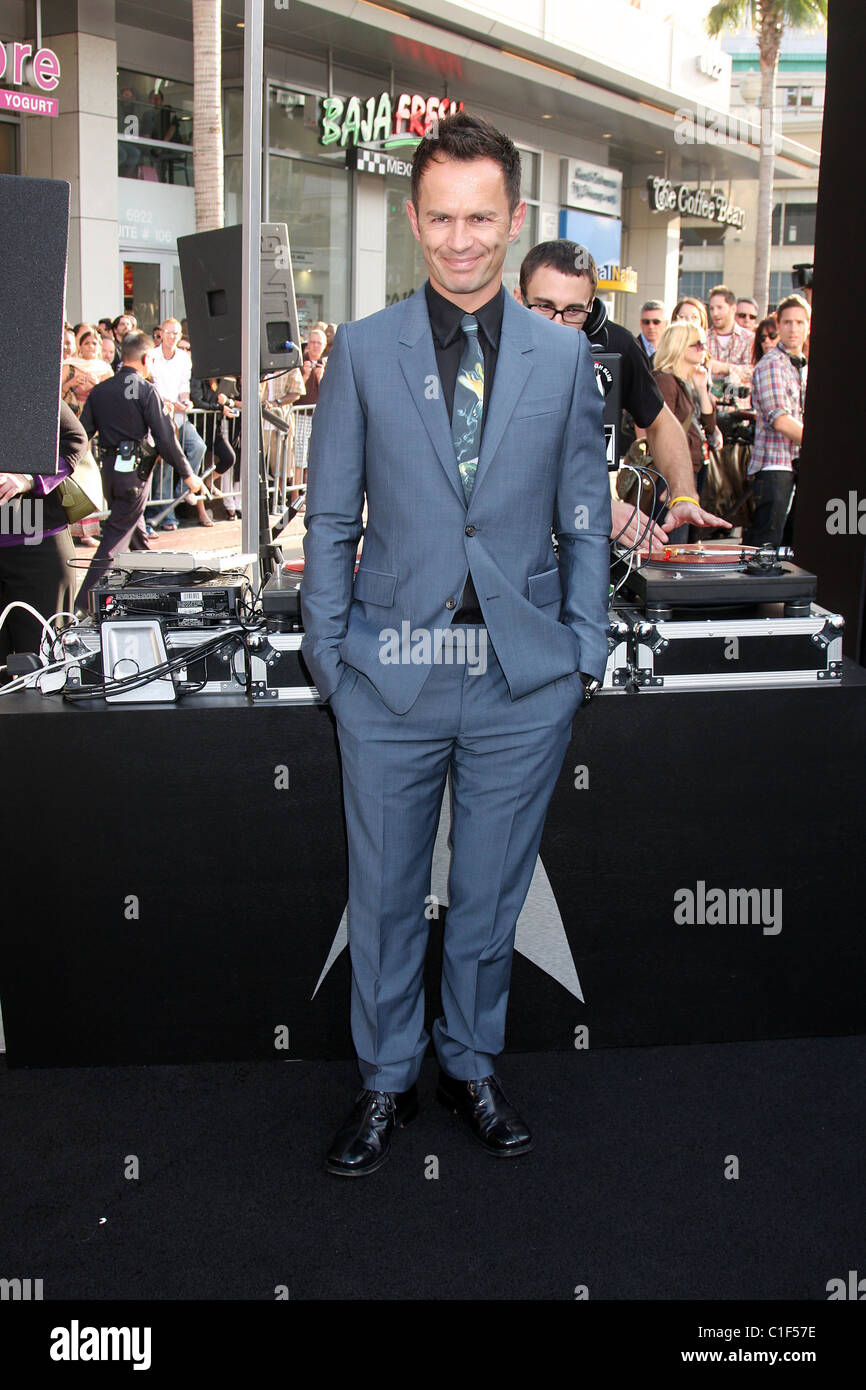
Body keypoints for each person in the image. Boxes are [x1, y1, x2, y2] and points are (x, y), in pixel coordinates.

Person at [301, 112, 616, 1177]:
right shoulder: (360, 349)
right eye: (440, 217)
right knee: (384, 894)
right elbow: (331, 518)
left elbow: (584, 511)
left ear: (512, 216)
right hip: (388, 676)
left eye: (481, 217)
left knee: (485, 898)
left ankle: (468, 1063)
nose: (461, 239)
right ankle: (385, 1082)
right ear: (413, 219)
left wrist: (580, 652)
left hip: (520, 676)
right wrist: (328, 660)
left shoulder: (565, 356)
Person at [519, 241, 728, 548]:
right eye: (544, 306)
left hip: (588, 540)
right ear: (518, 296)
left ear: (591, 305)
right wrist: (596, 508)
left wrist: (683, 495)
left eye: (574, 310)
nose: (558, 322)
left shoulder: (616, 343)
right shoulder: (493, 345)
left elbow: (661, 422)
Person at [75, 332, 204, 613]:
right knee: (113, 542)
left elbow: (81, 434)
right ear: (146, 359)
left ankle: (158, 588)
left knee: (137, 535)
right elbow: (166, 438)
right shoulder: (146, 390)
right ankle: (83, 603)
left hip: (110, 474)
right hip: (135, 474)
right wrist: (188, 474)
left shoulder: (100, 391)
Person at [0, 402, 88, 680]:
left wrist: (28, 478)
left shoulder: (25, 374)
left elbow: (74, 440)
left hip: (36, 545)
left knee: (44, 672)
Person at [744, 294, 810, 549]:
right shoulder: (772, 364)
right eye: (787, 322)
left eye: (800, 322)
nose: (793, 329)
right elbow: (781, 421)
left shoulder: (802, 366)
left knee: (795, 546)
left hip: (797, 466)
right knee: (766, 549)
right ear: (778, 325)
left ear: (808, 326)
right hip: (775, 467)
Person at [651, 322, 719, 536]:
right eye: (696, 344)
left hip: (695, 467)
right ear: (678, 346)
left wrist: (701, 389)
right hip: (671, 473)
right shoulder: (664, 381)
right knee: (673, 541)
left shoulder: (689, 381)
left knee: (687, 538)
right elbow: (657, 428)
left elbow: (709, 427)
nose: (703, 348)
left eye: (704, 344)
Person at [147, 317, 209, 530]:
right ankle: (166, 515)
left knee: (198, 446)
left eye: (176, 333)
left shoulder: (184, 358)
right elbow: (150, 386)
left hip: (180, 418)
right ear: (161, 333)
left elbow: (184, 386)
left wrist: (186, 401)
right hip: (159, 419)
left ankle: (183, 488)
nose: (172, 336)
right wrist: (168, 402)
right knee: (164, 466)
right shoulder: (152, 356)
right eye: (168, 332)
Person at [190, 375, 242, 520]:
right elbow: (198, 402)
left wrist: (226, 402)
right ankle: (201, 513)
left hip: (215, 428)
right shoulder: (197, 378)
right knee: (198, 470)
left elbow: (231, 399)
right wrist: (219, 407)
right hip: (199, 427)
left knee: (229, 458)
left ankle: (209, 481)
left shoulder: (222, 380)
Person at [707, 284, 754, 396]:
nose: (715, 313)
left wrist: (724, 368)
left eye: (720, 307)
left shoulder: (749, 338)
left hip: (739, 408)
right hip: (708, 407)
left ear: (733, 308)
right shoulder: (703, 339)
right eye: (712, 308)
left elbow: (753, 373)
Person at [61, 325, 113, 415]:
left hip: (96, 418)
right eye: (86, 343)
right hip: (72, 416)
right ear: (80, 347)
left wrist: (97, 386)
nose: (91, 346)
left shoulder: (106, 370)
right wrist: (71, 383)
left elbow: (112, 399)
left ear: (99, 347)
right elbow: (56, 396)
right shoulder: (69, 366)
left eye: (94, 343)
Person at [299, 327, 328, 405]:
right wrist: (305, 376)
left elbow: (331, 394)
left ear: (324, 345)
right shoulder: (299, 362)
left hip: (320, 412)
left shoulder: (328, 365)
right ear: (308, 344)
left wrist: (320, 380)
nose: (316, 345)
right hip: (300, 413)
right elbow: (292, 392)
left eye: (319, 343)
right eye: (313, 342)